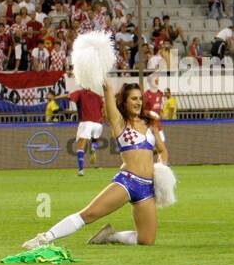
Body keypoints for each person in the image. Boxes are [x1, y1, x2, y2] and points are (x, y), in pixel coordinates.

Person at [24, 82, 164, 249]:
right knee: (89, 214)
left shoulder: (150, 123)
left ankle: (111, 236)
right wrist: (106, 85)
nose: (138, 102)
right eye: (133, 98)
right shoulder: (119, 122)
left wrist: (162, 170)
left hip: (147, 188)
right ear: (124, 101)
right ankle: (44, 238)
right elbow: (108, 91)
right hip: (128, 181)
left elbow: (162, 151)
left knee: (147, 240)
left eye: (140, 99)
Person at [68, 83, 104, 175]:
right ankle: (93, 147)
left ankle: (81, 170)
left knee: (81, 146)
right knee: (94, 138)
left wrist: (55, 98)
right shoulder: (97, 96)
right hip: (98, 124)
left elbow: (69, 96)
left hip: (86, 122)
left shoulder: (80, 93)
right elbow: (103, 109)